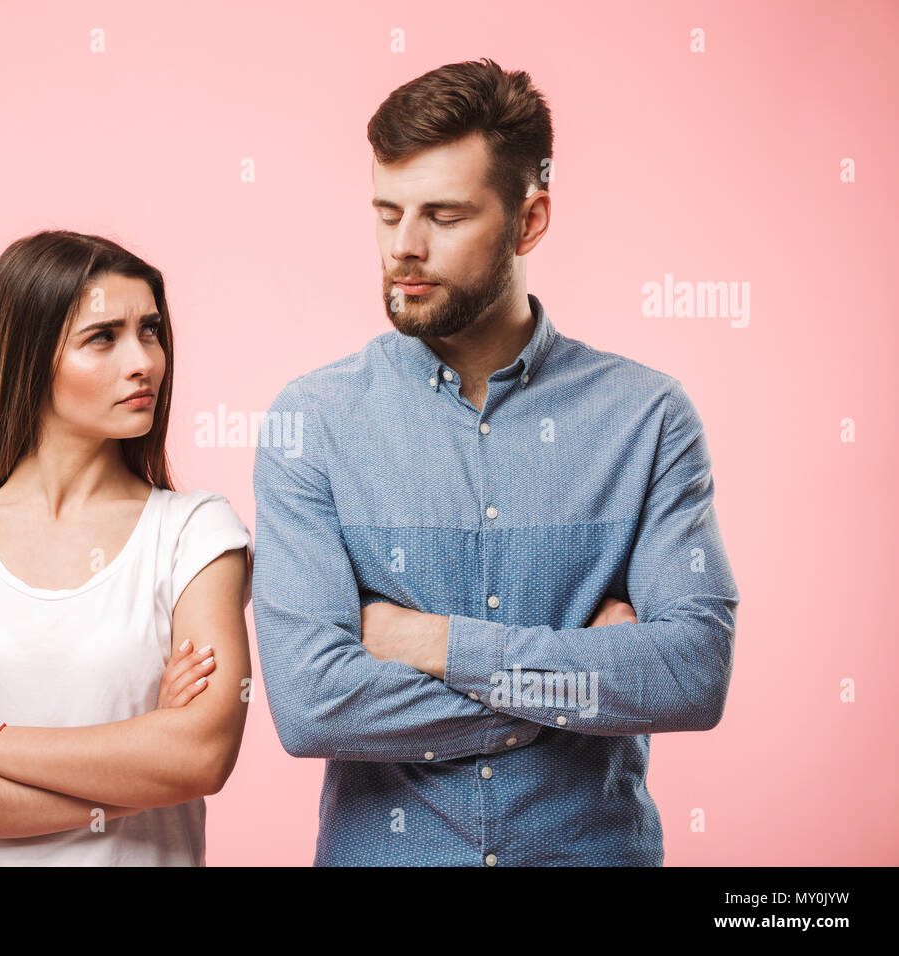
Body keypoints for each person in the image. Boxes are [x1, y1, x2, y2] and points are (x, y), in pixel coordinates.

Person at [251, 59, 740, 866]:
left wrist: (435, 643)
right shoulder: (314, 422)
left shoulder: (648, 417)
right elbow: (313, 706)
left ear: (529, 220)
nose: (403, 248)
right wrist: (581, 688)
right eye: (386, 213)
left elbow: (690, 675)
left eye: (443, 215)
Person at [0, 230, 253, 866]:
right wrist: (138, 769)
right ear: (30, 356)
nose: (144, 361)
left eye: (150, 331)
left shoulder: (196, 533)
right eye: (104, 337)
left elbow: (199, 756)